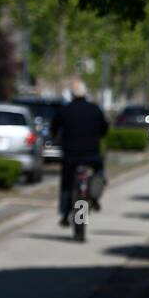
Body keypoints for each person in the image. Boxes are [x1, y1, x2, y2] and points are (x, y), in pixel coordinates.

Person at [51, 79, 109, 227]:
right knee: (99, 174)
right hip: (92, 156)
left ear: (72, 94)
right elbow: (104, 129)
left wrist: (56, 138)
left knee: (67, 184)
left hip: (70, 156)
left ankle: (65, 215)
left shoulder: (65, 110)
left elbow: (54, 127)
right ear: (86, 93)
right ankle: (94, 197)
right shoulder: (95, 109)